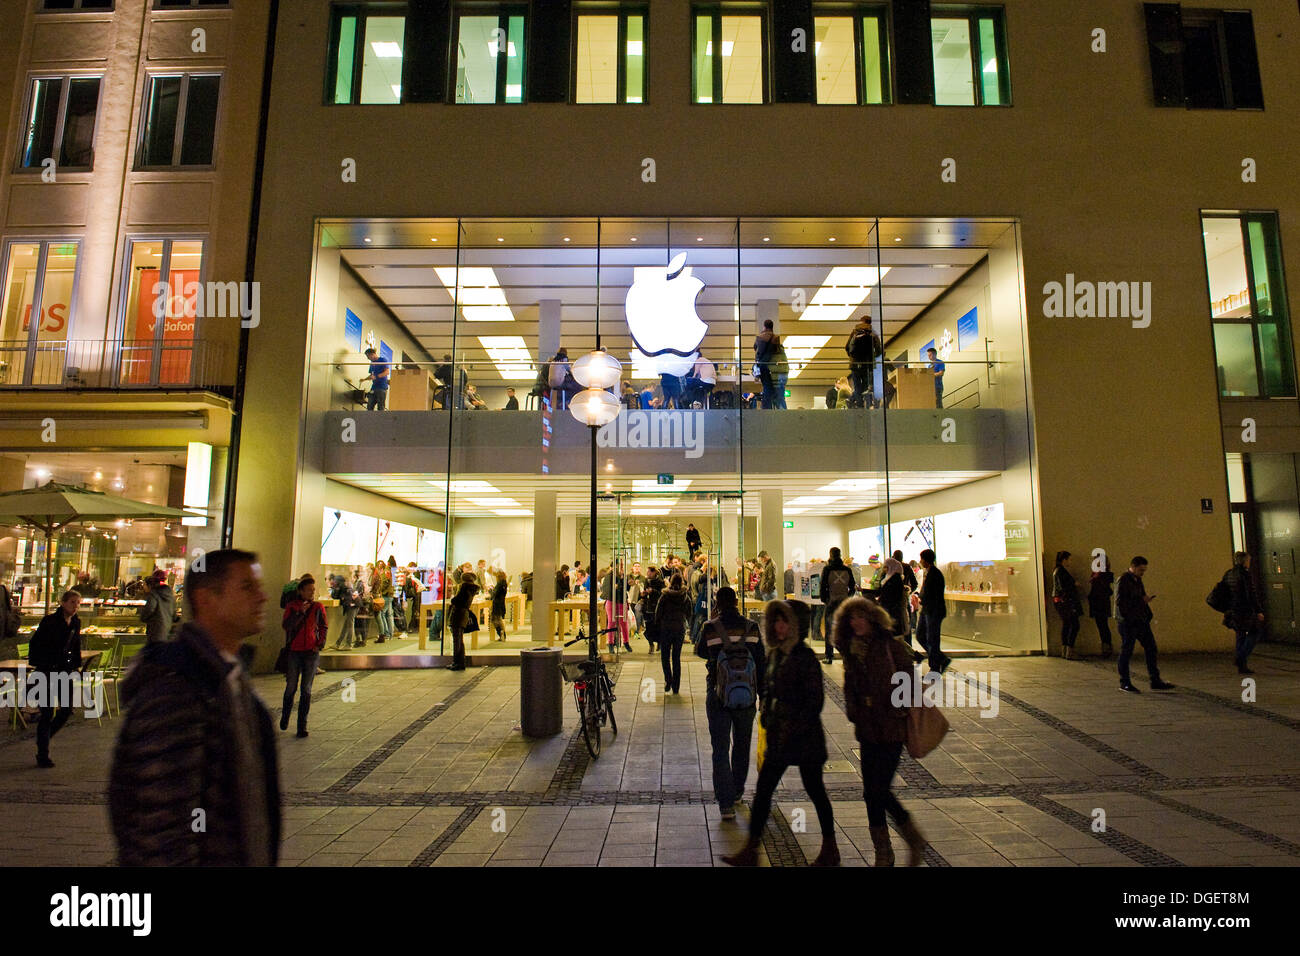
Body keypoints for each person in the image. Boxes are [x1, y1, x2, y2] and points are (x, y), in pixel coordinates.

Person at [109, 549, 280, 865]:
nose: (263, 597)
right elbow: (162, 830)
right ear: (206, 600)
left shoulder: (230, 680)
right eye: (247, 587)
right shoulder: (176, 693)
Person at [724, 600, 838, 866]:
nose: (779, 626)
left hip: (804, 738)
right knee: (763, 790)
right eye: (775, 621)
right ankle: (751, 849)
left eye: (784, 621)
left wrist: (791, 722)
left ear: (795, 625)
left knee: (816, 790)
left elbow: (815, 701)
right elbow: (768, 686)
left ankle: (830, 847)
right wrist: (766, 711)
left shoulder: (805, 657)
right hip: (779, 736)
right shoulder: (776, 654)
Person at [834, 596, 927, 866]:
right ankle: (883, 852)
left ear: (872, 618)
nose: (856, 623)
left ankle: (912, 837)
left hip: (890, 729)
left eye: (861, 617)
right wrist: (854, 709)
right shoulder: (851, 649)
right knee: (870, 791)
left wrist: (893, 708)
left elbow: (907, 683)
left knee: (879, 788)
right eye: (851, 619)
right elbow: (849, 686)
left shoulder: (891, 646)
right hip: (867, 728)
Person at [695, 587, 764, 820]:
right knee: (742, 744)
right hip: (746, 695)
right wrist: (762, 695)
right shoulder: (752, 627)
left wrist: (720, 653)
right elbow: (761, 662)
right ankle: (737, 792)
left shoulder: (710, 627)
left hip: (717, 692)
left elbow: (700, 651)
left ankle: (725, 804)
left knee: (720, 747)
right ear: (736, 602)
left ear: (717, 603)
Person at [29, 589, 83, 768]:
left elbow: (75, 645)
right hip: (46, 671)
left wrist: (76, 665)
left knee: (66, 709)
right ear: (63, 603)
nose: (75, 606)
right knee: (47, 712)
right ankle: (42, 754)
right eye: (72, 602)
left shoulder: (75, 622)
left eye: (78, 603)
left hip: (64, 672)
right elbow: (36, 644)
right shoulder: (50, 621)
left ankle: (44, 738)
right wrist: (42, 661)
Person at [1115, 556, 1173, 693]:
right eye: (1141, 570)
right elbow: (1120, 602)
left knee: (1151, 647)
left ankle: (1155, 679)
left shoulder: (1137, 580)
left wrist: (1144, 604)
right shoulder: (1123, 580)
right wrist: (1141, 600)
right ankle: (1125, 682)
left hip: (1140, 620)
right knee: (1126, 651)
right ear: (1133, 567)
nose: (1143, 573)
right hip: (1128, 622)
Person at [281, 574, 327, 738]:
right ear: (300, 591)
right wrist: (300, 612)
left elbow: (323, 626)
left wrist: (319, 644)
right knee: (291, 688)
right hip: (294, 651)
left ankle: (302, 725)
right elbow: (286, 625)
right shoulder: (292, 606)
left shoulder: (318, 607)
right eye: (308, 590)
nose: (311, 593)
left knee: (306, 690)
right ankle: (285, 715)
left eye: (313, 590)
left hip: (311, 652)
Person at [1220, 551, 1265, 674]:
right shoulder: (1245, 575)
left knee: (1240, 635)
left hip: (1232, 610)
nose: (1249, 562)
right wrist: (1258, 611)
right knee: (1254, 633)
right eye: (1248, 560)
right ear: (1245, 561)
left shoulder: (1229, 574)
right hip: (1245, 611)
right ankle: (1240, 658)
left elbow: (1223, 592)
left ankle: (1242, 666)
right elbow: (1251, 594)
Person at [819, 547, 857, 664]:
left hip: (832, 602)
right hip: (844, 603)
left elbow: (823, 586)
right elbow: (852, 586)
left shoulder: (827, 569)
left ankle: (829, 656)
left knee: (829, 629)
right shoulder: (847, 570)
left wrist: (825, 599)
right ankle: (846, 654)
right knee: (845, 628)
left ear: (830, 555)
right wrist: (848, 598)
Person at [917, 548, 951, 673]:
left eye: (921, 559)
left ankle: (935, 666)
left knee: (932, 639)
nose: (920, 561)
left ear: (926, 560)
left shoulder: (935, 574)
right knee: (921, 635)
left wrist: (922, 599)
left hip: (933, 611)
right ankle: (941, 658)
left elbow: (933, 594)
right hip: (927, 610)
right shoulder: (928, 572)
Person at [656, 573, 690, 694]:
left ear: (670, 582)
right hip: (679, 628)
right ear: (682, 583)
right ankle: (676, 686)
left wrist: (658, 624)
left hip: (666, 628)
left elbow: (658, 612)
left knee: (665, 656)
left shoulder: (665, 596)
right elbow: (689, 612)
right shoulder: (685, 596)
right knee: (676, 657)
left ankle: (668, 680)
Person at [1052, 551, 1085, 659]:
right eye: (1069, 559)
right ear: (1064, 560)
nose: (1071, 561)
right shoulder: (1061, 571)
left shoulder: (1057, 570)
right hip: (1066, 602)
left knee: (1067, 624)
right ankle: (1069, 650)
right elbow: (1064, 587)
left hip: (1060, 601)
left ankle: (1065, 649)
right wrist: (1074, 584)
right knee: (1074, 625)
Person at [845, 314, 880, 408]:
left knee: (857, 386)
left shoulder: (855, 332)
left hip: (855, 364)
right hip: (867, 364)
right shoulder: (873, 333)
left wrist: (853, 357)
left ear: (862, 321)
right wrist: (873, 357)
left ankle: (856, 403)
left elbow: (847, 347)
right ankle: (858, 403)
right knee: (865, 387)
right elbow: (879, 350)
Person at [447, 572, 479, 670]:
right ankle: (460, 661)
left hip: (458, 614)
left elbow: (456, 600)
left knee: (457, 639)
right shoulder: (471, 589)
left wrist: (453, 600)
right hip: (463, 613)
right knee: (459, 639)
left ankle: (457, 662)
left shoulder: (464, 589)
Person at [138, 568, 176, 643]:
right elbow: (173, 614)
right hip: (167, 631)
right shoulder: (170, 593)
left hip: (155, 631)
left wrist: (143, 618)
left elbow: (149, 610)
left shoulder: (154, 593)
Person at [1088, 558, 1115, 659]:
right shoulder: (1097, 574)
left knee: (1103, 625)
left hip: (1100, 603)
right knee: (1102, 626)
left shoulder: (1103, 574)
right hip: (1098, 603)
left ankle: (1106, 648)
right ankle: (1106, 647)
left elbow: (1106, 589)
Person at [753, 319, 781, 409]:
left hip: (761, 365)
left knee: (766, 386)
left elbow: (755, 348)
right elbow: (777, 351)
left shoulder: (759, 337)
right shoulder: (776, 337)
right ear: (772, 327)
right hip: (772, 366)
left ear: (764, 326)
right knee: (770, 387)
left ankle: (766, 407)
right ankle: (768, 407)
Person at [332, 573, 359, 649]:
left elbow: (335, 596)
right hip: (354, 605)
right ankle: (338, 643)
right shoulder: (346, 586)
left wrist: (334, 589)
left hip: (351, 606)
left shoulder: (341, 587)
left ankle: (348, 644)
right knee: (346, 625)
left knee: (350, 625)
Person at [642, 566, 664, 655]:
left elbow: (662, 594)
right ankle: (651, 644)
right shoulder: (646, 581)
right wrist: (644, 594)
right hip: (648, 607)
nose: (647, 574)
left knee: (658, 627)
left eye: (649, 572)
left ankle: (659, 643)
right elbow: (644, 592)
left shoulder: (660, 582)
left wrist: (653, 591)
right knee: (649, 628)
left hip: (657, 608)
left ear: (654, 572)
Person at [490, 569, 508, 642]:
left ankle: (501, 634)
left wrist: (491, 591)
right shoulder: (504, 583)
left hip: (497, 604)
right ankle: (502, 634)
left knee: (496, 620)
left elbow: (495, 594)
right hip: (501, 603)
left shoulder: (499, 584)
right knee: (499, 620)